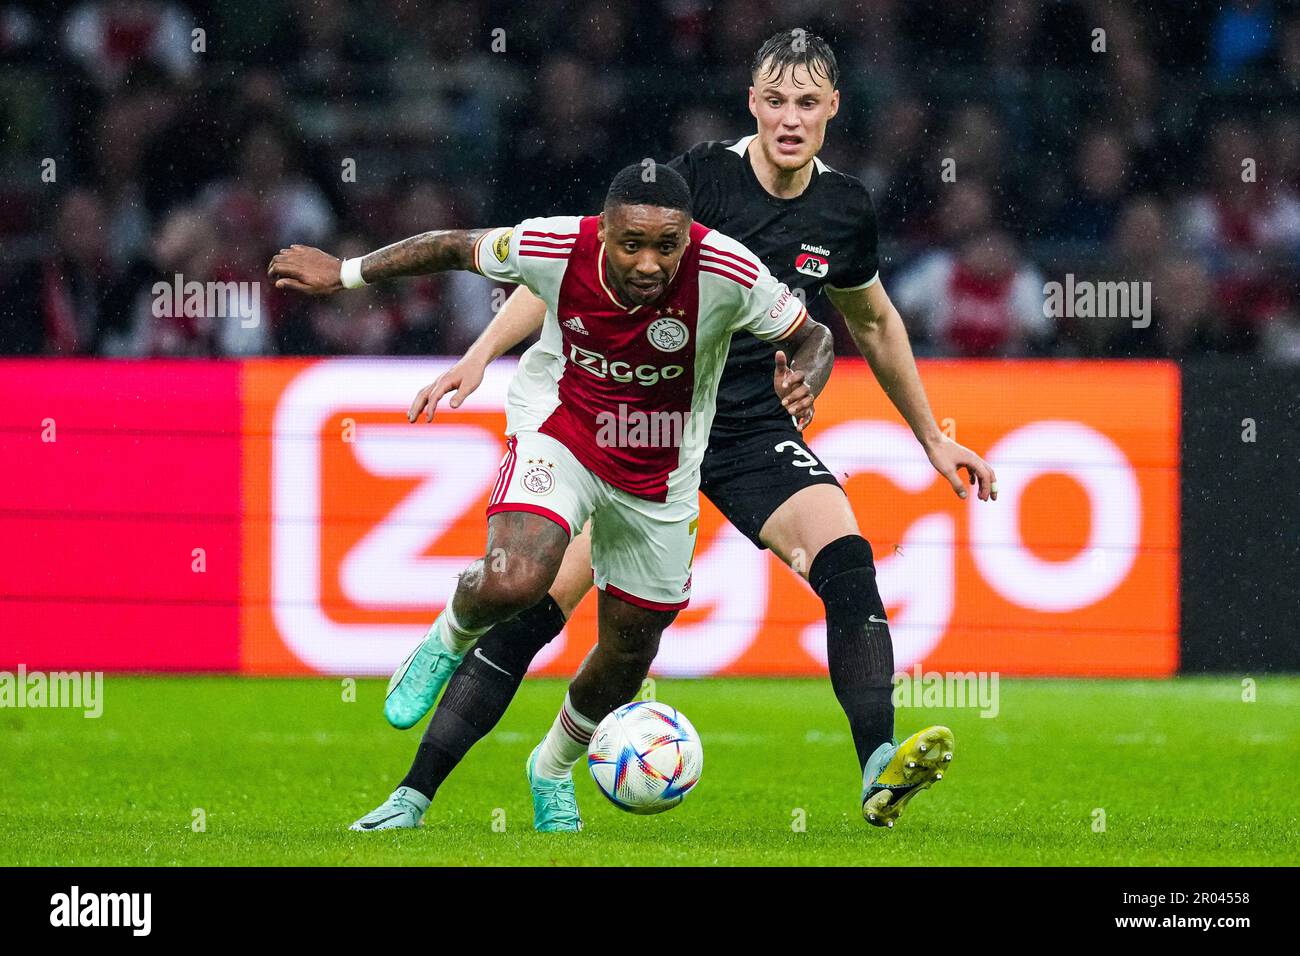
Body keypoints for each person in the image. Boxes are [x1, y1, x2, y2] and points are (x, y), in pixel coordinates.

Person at [347, 30, 998, 833]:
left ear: (833, 108)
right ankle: (413, 795)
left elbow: (871, 319)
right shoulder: (700, 178)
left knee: (848, 563)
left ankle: (876, 766)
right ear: (751, 102)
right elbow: (572, 269)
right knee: (532, 613)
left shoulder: (844, 208)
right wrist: (481, 354)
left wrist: (932, 436)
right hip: (640, 426)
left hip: (753, 429)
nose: (789, 118)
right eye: (775, 100)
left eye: (807, 102)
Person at [267, 160, 843, 831]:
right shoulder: (553, 245)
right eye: (633, 245)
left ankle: (552, 765)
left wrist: (805, 379)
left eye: (668, 246)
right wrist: (344, 273)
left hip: (661, 473)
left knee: (630, 652)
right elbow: (455, 244)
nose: (651, 263)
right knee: (516, 582)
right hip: (561, 432)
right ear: (604, 235)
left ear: (689, 237)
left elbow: (813, 335)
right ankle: (453, 626)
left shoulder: (728, 268)